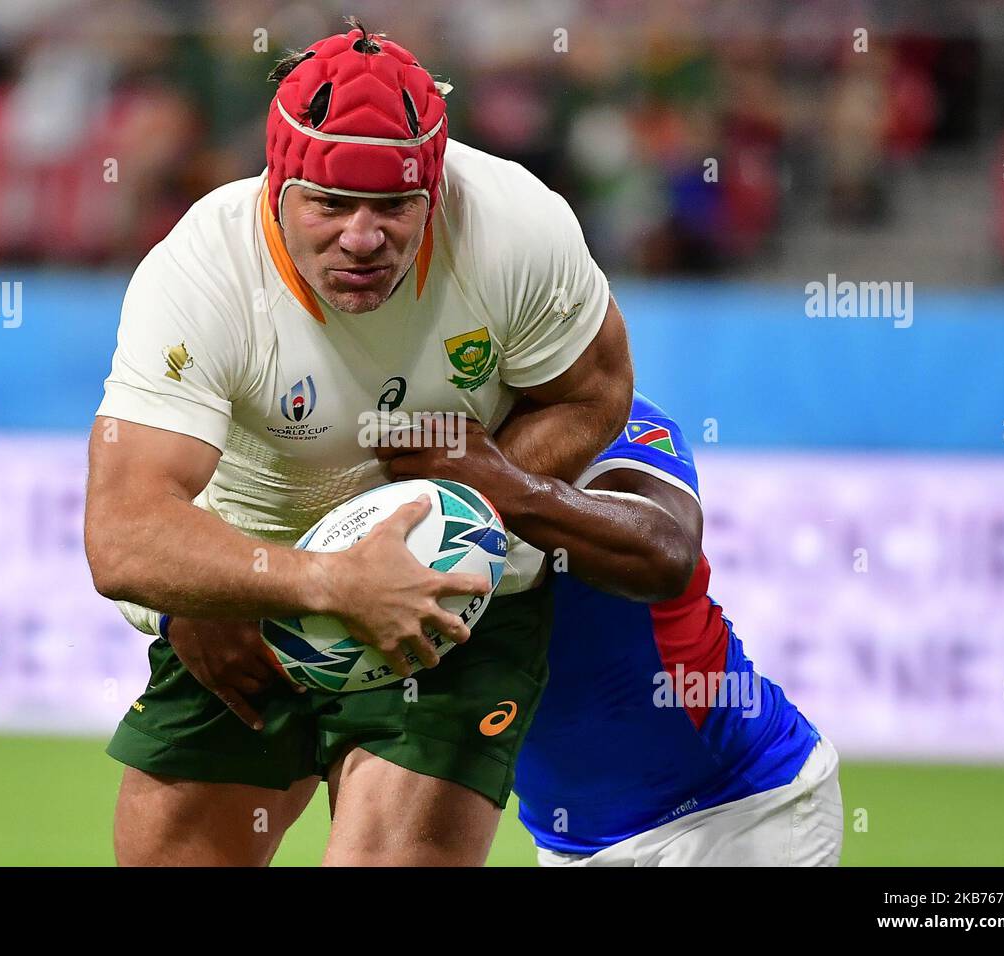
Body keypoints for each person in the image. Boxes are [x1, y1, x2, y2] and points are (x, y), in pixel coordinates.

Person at [87, 22, 633, 866]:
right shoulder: (201, 271)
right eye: (331, 203)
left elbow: (594, 391)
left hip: (447, 601)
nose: (363, 237)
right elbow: (123, 532)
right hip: (251, 595)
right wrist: (311, 582)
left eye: (394, 205)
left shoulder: (516, 226)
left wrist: (472, 503)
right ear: (277, 182)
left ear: (435, 189)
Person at [377, 394, 844, 866]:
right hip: (571, 845)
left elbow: (667, 555)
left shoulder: (611, 416)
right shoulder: (392, 451)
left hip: (740, 805)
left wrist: (507, 487)